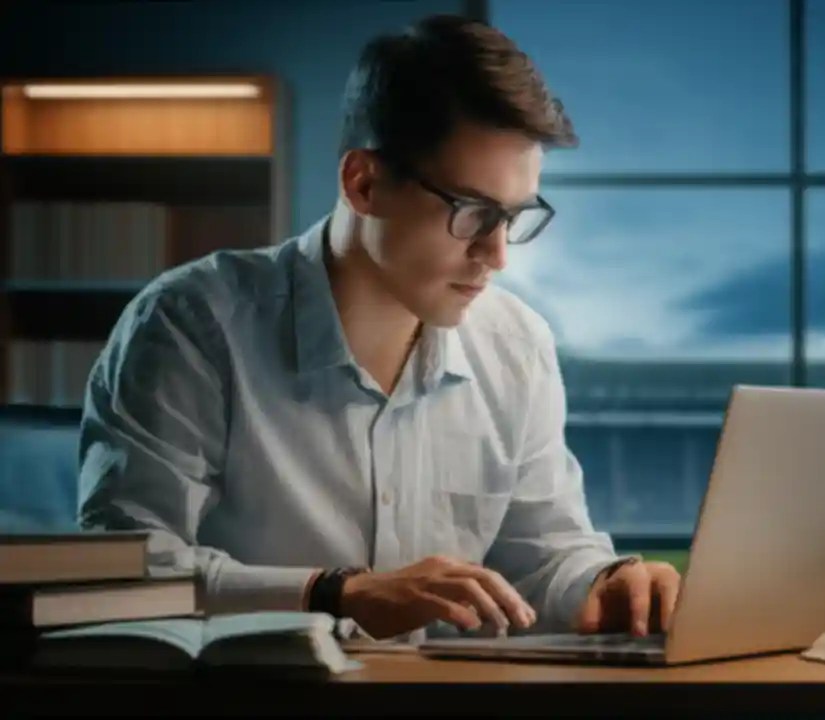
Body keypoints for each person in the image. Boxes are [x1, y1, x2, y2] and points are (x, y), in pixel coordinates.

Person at [78, 14, 680, 641]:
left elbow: (544, 557)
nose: (498, 255)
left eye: (515, 217)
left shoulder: (518, 344)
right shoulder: (192, 326)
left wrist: (607, 583)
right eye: (473, 212)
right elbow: (131, 572)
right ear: (363, 183)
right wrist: (334, 594)